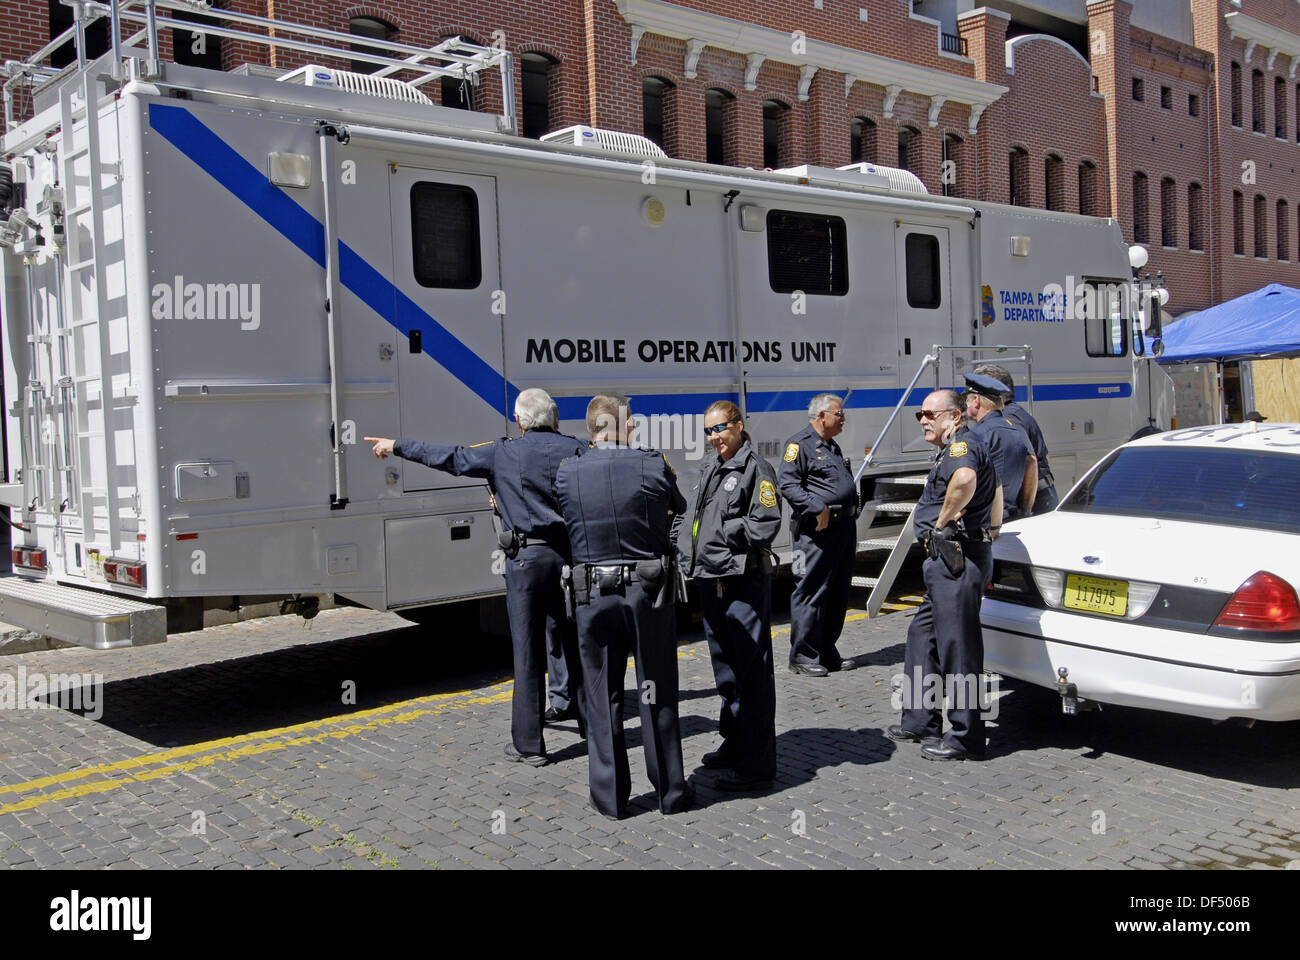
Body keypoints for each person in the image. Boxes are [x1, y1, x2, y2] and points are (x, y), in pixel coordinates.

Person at [364, 388, 586, 767]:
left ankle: (530, 745)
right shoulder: (578, 449)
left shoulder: (502, 453)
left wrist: (396, 445)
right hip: (569, 557)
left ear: (519, 422)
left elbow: (450, 458)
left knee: (527, 652)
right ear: (556, 417)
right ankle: (591, 725)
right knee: (576, 643)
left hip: (526, 561)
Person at [555, 395, 692, 818]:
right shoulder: (651, 464)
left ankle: (610, 798)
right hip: (645, 591)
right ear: (619, 423)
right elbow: (680, 510)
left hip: (591, 594)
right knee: (657, 690)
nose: (634, 428)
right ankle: (670, 792)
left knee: (601, 696)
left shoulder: (568, 470)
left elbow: (565, 519)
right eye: (631, 421)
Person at [888, 390, 1003, 761]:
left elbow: (967, 478)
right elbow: (996, 487)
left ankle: (965, 736)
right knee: (922, 634)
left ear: (954, 416)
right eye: (919, 415)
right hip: (949, 560)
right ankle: (920, 719)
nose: (923, 420)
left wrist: (941, 522)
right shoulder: (958, 447)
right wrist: (994, 526)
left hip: (956, 557)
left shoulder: (961, 449)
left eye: (929, 414)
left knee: (959, 649)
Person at [678, 401, 780, 791]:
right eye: (708, 430)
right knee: (726, 671)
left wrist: (719, 535)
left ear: (739, 425)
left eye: (720, 428)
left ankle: (757, 763)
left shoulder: (757, 469)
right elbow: (694, 518)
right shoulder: (711, 466)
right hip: (711, 578)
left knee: (752, 673)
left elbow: (765, 524)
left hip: (742, 582)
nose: (713, 437)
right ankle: (734, 742)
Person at [777, 393, 859, 676]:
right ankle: (802, 655)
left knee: (837, 593)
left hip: (843, 529)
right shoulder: (799, 445)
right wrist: (816, 507)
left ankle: (826, 651)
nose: (843, 418)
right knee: (811, 591)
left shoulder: (831, 446)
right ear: (822, 415)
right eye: (839, 413)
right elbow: (787, 483)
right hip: (817, 532)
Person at [972, 363, 1058, 514]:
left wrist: (1025, 509)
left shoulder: (1007, 418)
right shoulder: (1014, 412)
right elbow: (1045, 455)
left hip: (1036, 500)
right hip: (1042, 494)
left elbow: (1030, 460)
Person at [962, 372, 1038, 521]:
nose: (965, 404)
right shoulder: (1013, 428)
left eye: (966, 399)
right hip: (1009, 515)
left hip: (984, 520)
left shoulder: (978, 434)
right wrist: (1025, 510)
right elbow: (1032, 461)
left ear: (976, 400)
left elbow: (966, 481)